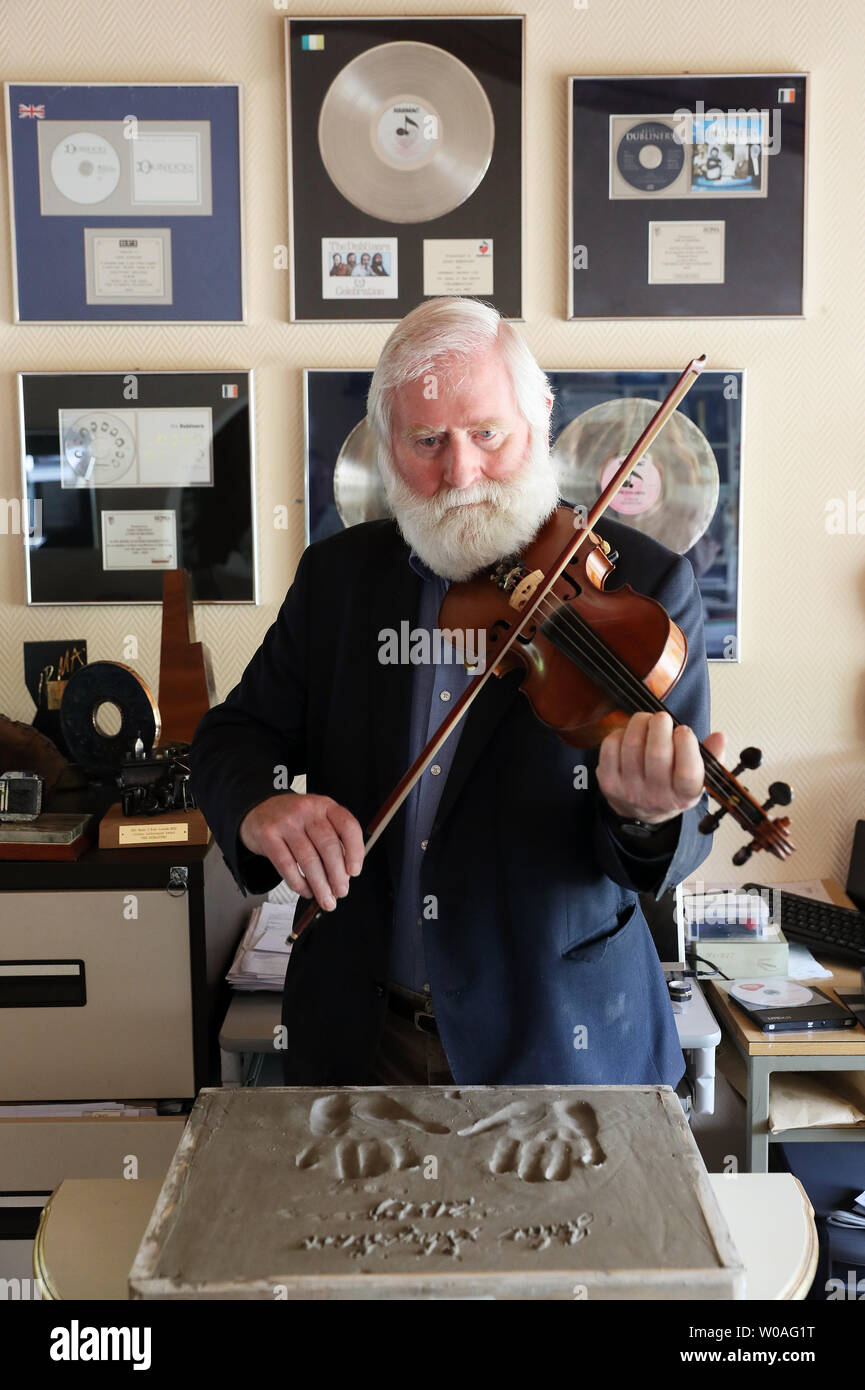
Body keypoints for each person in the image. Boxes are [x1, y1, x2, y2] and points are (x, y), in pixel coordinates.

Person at [190, 297, 724, 1088]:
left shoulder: (646, 586)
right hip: (362, 1039)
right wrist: (260, 806)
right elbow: (232, 735)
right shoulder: (338, 581)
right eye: (427, 440)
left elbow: (676, 843)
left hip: (556, 1040)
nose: (460, 472)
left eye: (486, 434)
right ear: (386, 444)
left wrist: (646, 818)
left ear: (538, 414)